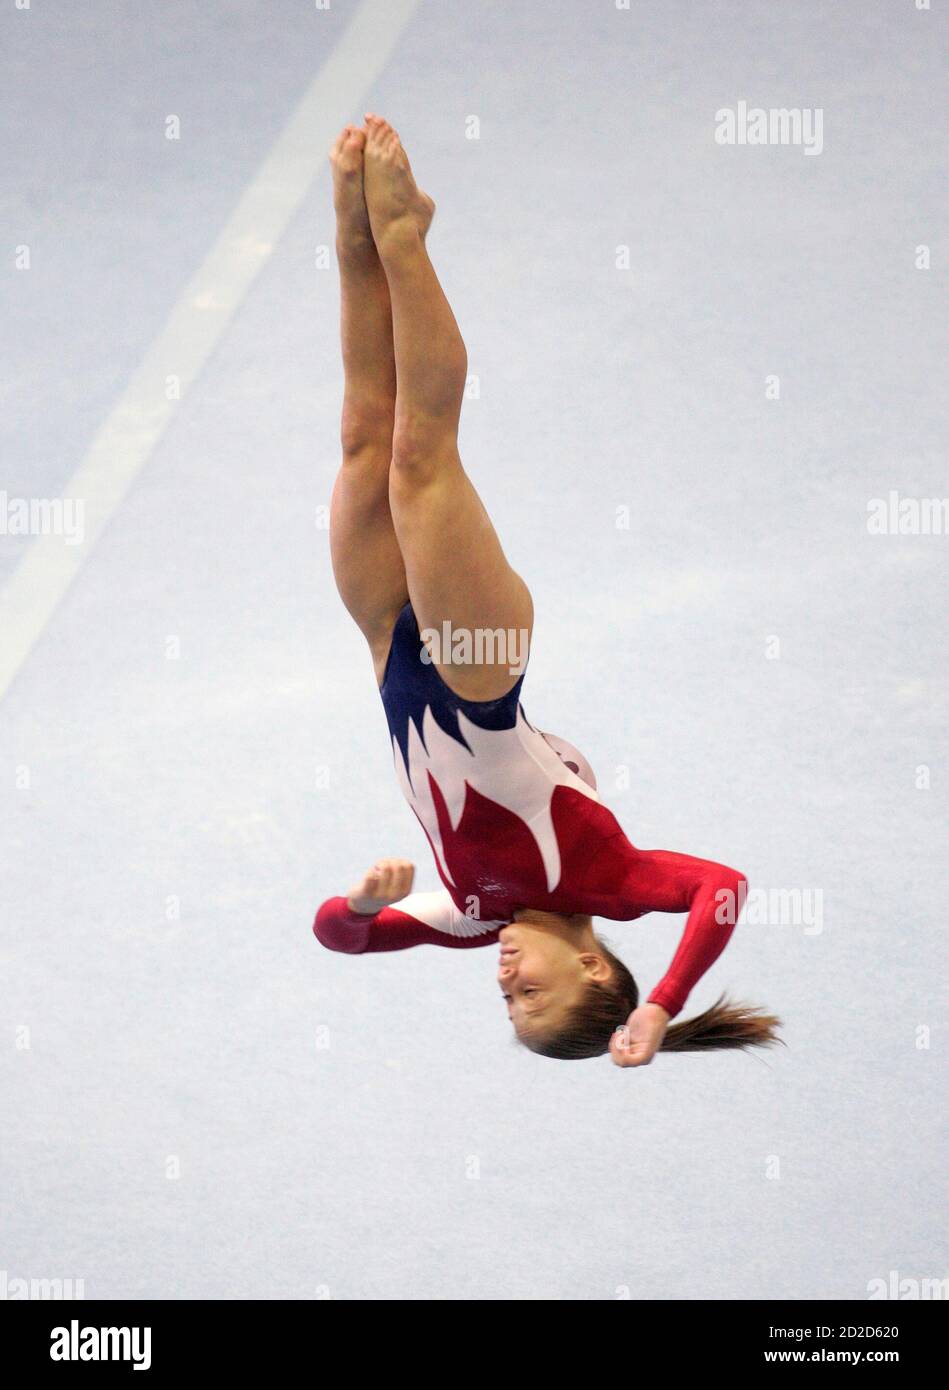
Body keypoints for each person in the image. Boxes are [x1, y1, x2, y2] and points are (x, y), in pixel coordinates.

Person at [313, 116, 782, 1066]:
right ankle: (407, 236)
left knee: (365, 433)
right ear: (599, 973)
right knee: (417, 457)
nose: (506, 982)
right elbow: (721, 887)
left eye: (506, 1005)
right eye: (534, 996)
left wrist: (365, 902)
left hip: (387, 649)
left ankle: (358, 238)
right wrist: (664, 1006)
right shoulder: (610, 881)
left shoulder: (470, 914)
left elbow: (340, 935)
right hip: (480, 670)